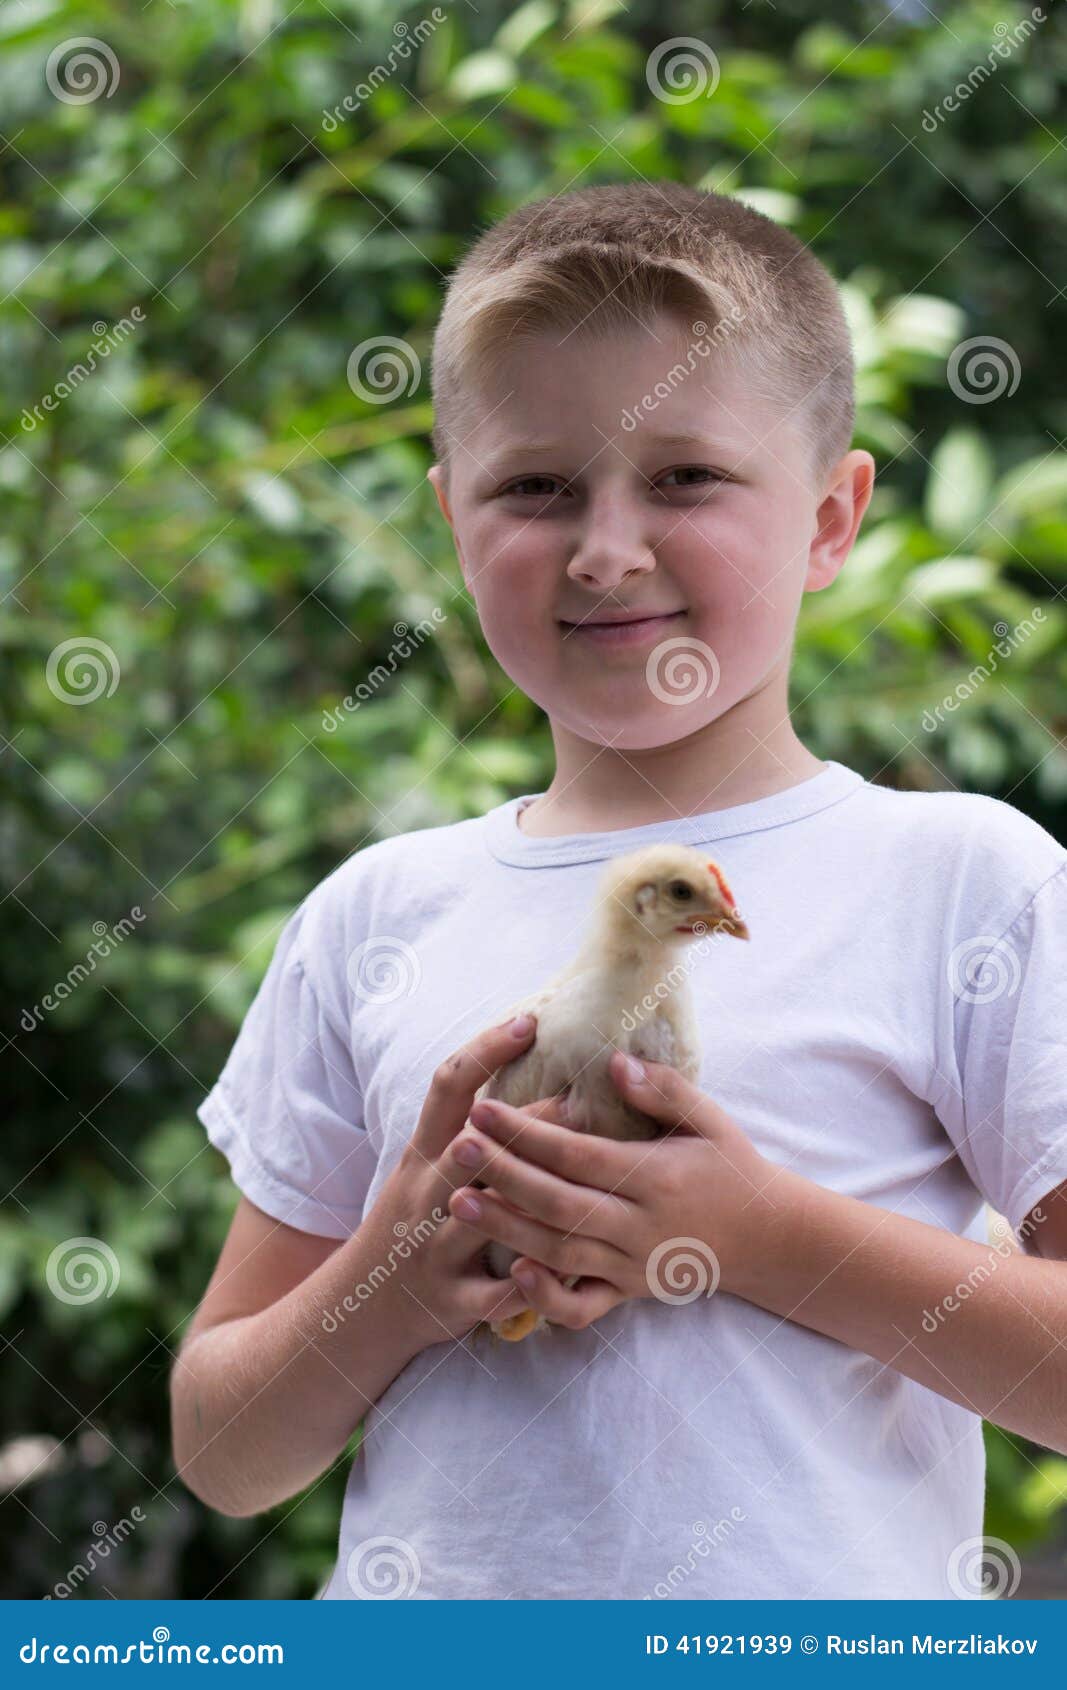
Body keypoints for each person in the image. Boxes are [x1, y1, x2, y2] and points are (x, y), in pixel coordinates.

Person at [171, 181, 1067, 1601]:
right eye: (534, 486)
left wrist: (758, 1234)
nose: (604, 546)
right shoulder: (373, 913)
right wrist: (394, 1276)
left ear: (833, 520)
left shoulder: (968, 882)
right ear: (450, 525)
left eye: (686, 479)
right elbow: (224, 1446)